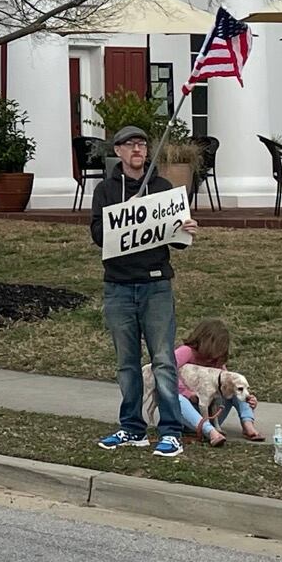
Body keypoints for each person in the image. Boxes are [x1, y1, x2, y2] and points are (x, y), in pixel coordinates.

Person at [89, 123, 197, 456]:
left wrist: (186, 229)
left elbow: (177, 242)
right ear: (118, 151)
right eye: (130, 144)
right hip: (118, 287)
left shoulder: (163, 188)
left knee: (163, 360)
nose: (137, 149)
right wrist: (127, 211)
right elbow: (98, 235)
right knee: (127, 363)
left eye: (142, 144)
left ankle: (171, 431)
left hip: (155, 286)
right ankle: (132, 428)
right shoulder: (105, 190)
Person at [173, 318, 264, 445]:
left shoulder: (217, 361)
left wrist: (248, 399)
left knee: (235, 385)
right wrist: (187, 393)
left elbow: (228, 384)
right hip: (188, 416)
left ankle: (247, 424)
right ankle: (210, 432)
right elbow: (167, 372)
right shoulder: (186, 352)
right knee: (177, 398)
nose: (215, 356)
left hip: (212, 415)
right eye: (215, 349)